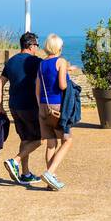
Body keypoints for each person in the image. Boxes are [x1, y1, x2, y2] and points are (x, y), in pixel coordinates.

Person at [0, 32, 42, 186]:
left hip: (14, 106)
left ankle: (26, 173)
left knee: (25, 139)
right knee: (39, 139)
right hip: (30, 106)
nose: (37, 48)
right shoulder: (35, 62)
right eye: (36, 45)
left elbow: (0, 83)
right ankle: (14, 161)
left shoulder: (11, 61)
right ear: (30, 45)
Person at [35, 34, 74, 191]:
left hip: (43, 106)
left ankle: (50, 181)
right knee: (67, 141)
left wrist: (40, 107)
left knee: (51, 144)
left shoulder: (42, 64)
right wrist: (67, 73)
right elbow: (63, 85)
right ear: (58, 47)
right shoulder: (61, 61)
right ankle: (50, 173)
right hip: (57, 107)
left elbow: (37, 90)